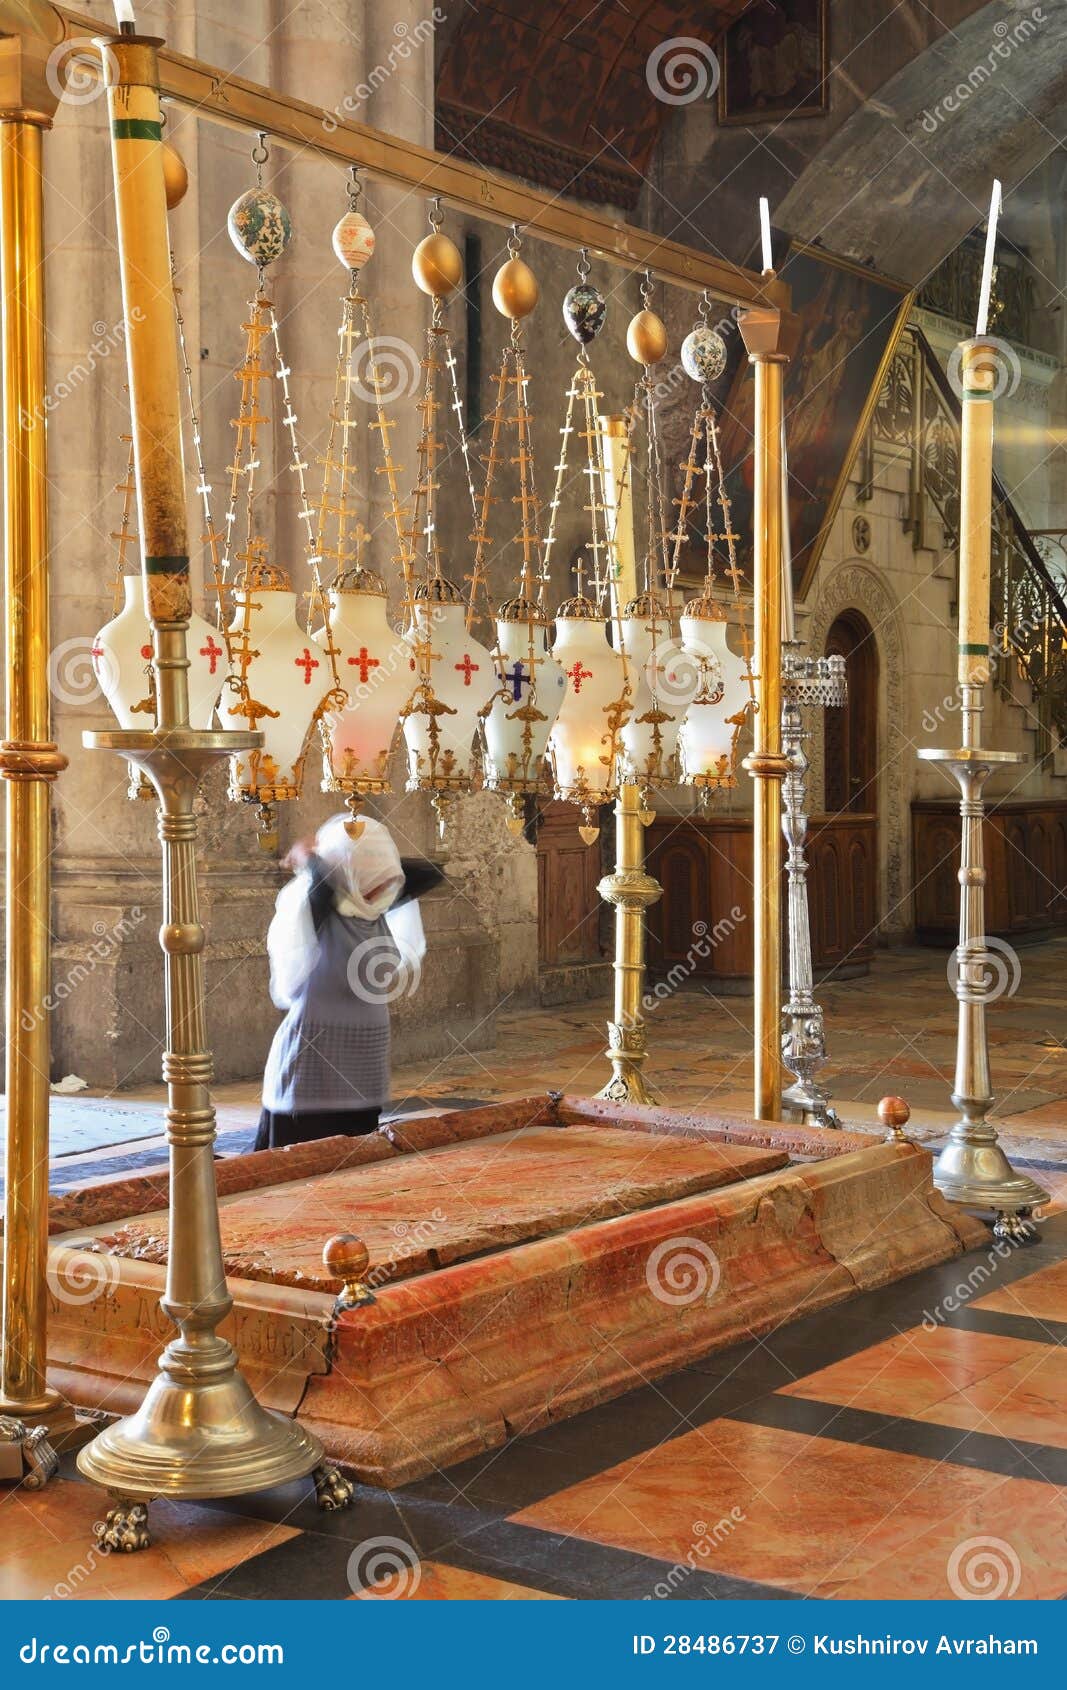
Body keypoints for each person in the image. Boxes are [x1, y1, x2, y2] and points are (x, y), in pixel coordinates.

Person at [254, 813, 442, 1151]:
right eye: (374, 871)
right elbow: (323, 883)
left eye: (387, 874)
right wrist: (311, 858)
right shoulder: (319, 910)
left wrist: (361, 853)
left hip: (362, 1074)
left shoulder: (379, 907)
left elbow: (430, 873)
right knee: (291, 1172)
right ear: (345, 869)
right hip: (313, 1074)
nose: (385, 884)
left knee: (354, 1172)